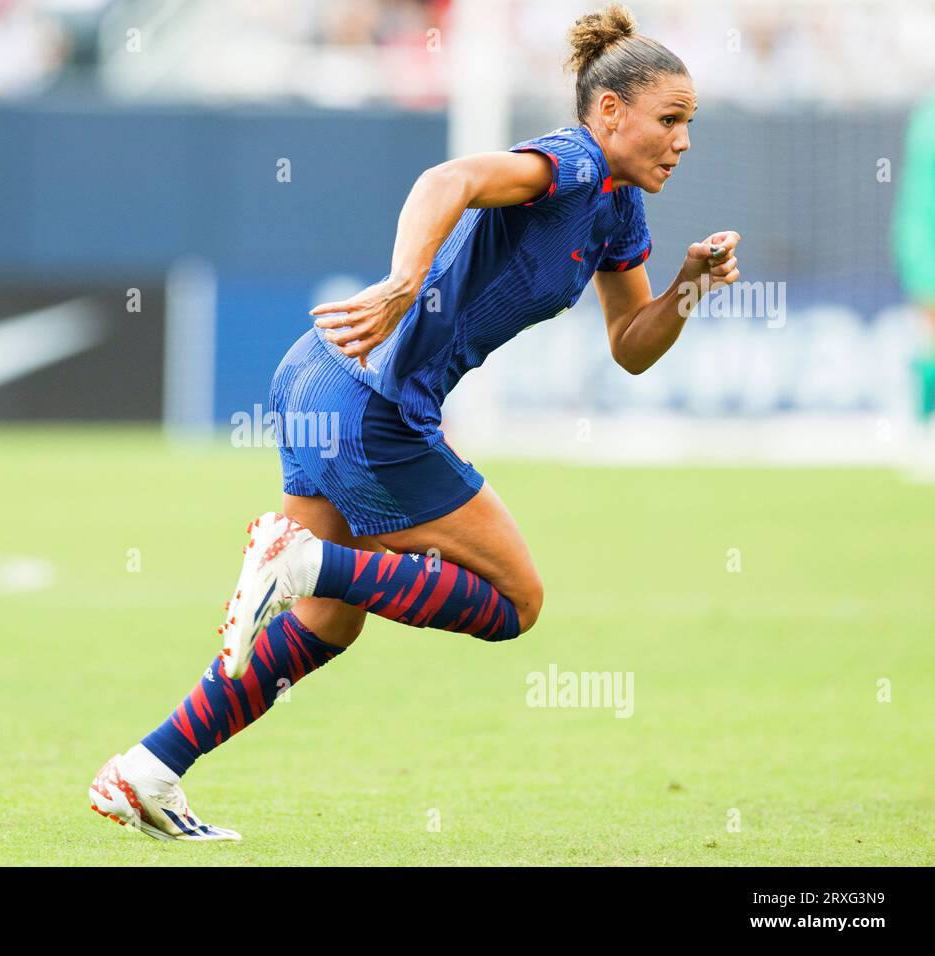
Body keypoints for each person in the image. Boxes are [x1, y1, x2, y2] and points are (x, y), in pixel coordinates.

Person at [90, 3, 740, 841]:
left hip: (320, 378)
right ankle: (299, 559)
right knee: (516, 601)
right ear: (610, 111)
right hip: (374, 403)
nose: (683, 141)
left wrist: (688, 287)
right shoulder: (574, 162)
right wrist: (404, 282)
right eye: (671, 119)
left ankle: (147, 770)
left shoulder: (618, 209)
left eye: (690, 123)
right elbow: (446, 180)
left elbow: (630, 346)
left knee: (327, 616)